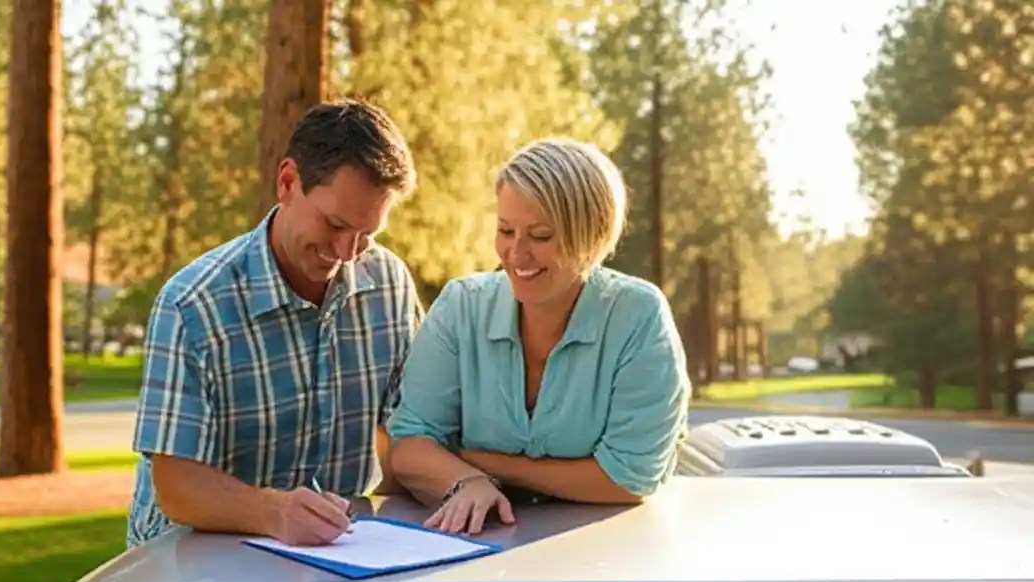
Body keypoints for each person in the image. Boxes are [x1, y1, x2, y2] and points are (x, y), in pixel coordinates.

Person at [127, 99, 421, 549]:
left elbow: (409, 433)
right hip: (192, 566)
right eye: (335, 224)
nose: (346, 253)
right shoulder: (193, 305)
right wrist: (273, 512)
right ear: (287, 182)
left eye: (367, 234)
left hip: (334, 557)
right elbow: (175, 482)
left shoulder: (388, 284)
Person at [385, 138, 690, 535]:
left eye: (541, 235)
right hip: (474, 550)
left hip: (603, 553)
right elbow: (410, 445)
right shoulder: (461, 307)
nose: (516, 252)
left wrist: (489, 466)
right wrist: (467, 480)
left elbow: (630, 478)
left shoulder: (637, 316)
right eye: (506, 230)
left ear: (592, 238)